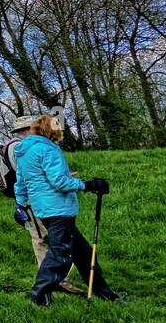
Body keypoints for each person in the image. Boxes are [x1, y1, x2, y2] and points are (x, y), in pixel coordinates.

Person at [13, 114, 125, 307]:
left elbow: (21, 182)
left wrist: (20, 205)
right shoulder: (49, 150)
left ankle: (105, 294)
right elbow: (58, 181)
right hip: (58, 210)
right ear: (51, 130)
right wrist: (87, 185)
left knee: (84, 254)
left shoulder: (24, 151)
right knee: (60, 256)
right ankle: (39, 298)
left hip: (45, 210)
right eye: (58, 128)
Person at [0, 116, 83, 296]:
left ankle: (54, 281)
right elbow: (27, 177)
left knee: (50, 240)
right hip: (34, 202)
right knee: (43, 240)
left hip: (35, 201)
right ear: (25, 130)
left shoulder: (23, 146)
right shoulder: (19, 148)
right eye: (34, 128)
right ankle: (51, 284)